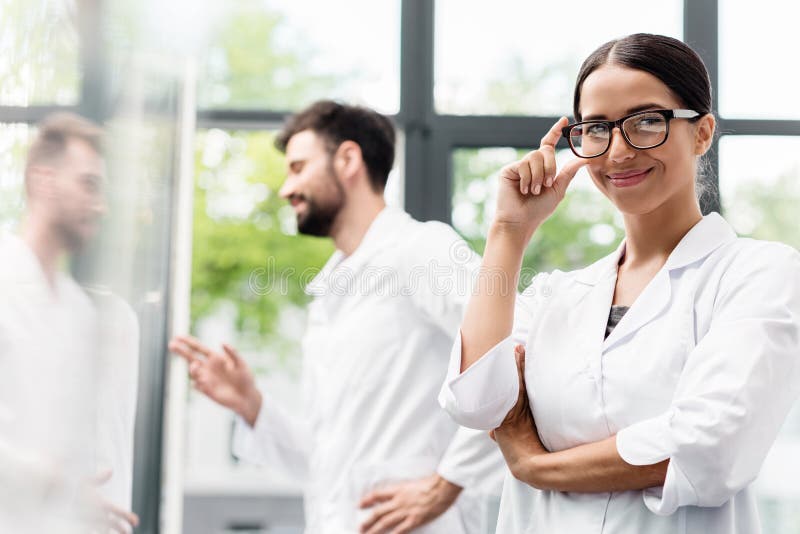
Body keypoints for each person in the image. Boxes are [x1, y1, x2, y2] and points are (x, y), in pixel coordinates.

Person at [438, 33, 800, 534]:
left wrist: (534, 465)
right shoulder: (555, 295)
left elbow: (710, 451)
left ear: (702, 132)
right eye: (597, 129)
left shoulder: (759, 274)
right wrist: (509, 232)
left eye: (647, 121)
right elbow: (475, 403)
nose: (619, 151)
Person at [170, 101, 504, 534]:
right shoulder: (331, 293)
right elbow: (327, 460)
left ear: (348, 159)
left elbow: (512, 353)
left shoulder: (422, 250)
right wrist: (251, 406)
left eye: (298, 167)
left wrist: (448, 483)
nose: (286, 189)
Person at [0, 112, 139, 533]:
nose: (100, 205)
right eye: (88, 184)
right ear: (42, 181)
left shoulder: (80, 313)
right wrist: (51, 482)